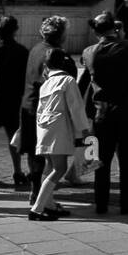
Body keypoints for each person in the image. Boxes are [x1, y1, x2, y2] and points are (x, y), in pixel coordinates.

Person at [80, 11, 128, 214]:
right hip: (127, 110)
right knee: (127, 159)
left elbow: (84, 82)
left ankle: (100, 202)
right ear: (115, 28)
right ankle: (127, 203)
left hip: (100, 111)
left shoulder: (88, 52)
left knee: (100, 159)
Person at [19, 16, 76, 210]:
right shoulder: (57, 55)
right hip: (50, 111)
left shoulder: (35, 49)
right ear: (61, 35)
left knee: (35, 154)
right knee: (54, 160)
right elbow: (68, 83)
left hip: (29, 104)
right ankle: (44, 200)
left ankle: (36, 192)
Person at [29, 49, 90, 221]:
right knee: (59, 168)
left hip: (44, 128)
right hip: (59, 128)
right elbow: (76, 108)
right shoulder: (68, 80)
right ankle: (37, 208)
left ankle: (48, 204)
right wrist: (84, 131)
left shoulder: (45, 83)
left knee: (49, 167)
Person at [0, 15, 29, 188]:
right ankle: (17, 171)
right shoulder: (21, 50)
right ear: (15, 30)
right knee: (13, 137)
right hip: (12, 98)